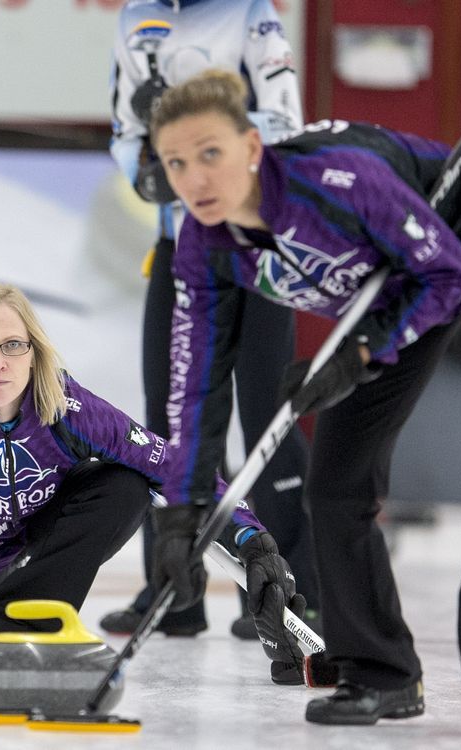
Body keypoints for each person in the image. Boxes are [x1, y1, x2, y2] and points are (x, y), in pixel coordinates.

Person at [148, 69, 461, 724]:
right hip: (403, 287)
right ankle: (382, 672)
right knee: (336, 486)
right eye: (175, 162)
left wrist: (361, 352)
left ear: (252, 147)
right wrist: (182, 507)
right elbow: (195, 378)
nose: (194, 179)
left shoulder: (334, 181)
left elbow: (447, 270)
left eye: (210, 154)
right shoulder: (203, 243)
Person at [0, 283, 306, 685]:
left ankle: (31, 615)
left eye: (12, 345)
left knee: (127, 484)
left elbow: (168, 463)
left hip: (39, 545)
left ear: (34, 351)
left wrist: (249, 535)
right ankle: (3, 620)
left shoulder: (64, 403)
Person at [104, 0, 319, 641]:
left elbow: (284, 122)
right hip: (180, 240)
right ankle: (174, 590)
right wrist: (149, 166)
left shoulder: (250, 10)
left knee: (265, 412)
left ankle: (294, 588)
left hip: (254, 236)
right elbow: (121, 131)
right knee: (167, 420)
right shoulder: (132, 18)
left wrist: (196, 131)